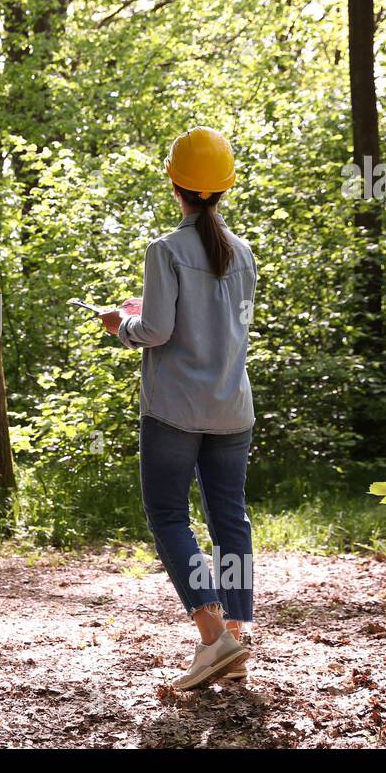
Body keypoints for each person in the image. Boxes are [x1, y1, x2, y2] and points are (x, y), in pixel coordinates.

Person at [99, 127, 257, 690]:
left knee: (169, 518)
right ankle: (236, 631)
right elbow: (223, 330)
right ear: (223, 188)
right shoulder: (244, 254)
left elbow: (159, 330)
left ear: (176, 183)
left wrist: (123, 325)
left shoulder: (164, 251)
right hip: (231, 408)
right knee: (229, 520)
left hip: (174, 411)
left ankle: (214, 637)